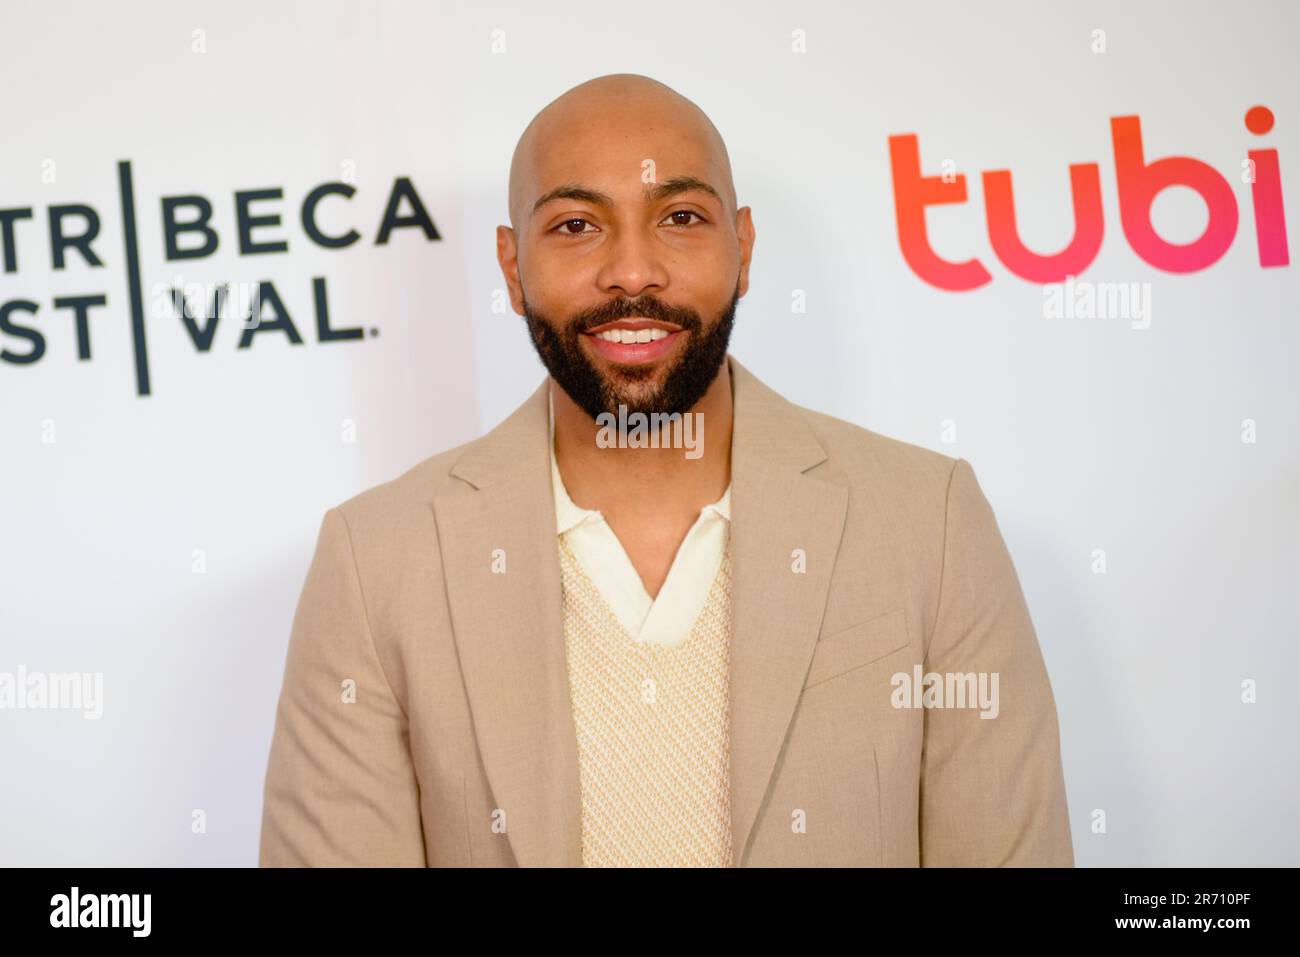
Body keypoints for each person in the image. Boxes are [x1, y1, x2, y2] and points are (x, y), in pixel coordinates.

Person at [259, 73, 1073, 867]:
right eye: (576, 226)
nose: (634, 271)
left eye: (680, 216)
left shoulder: (928, 522)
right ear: (512, 270)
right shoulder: (375, 564)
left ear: (742, 248)